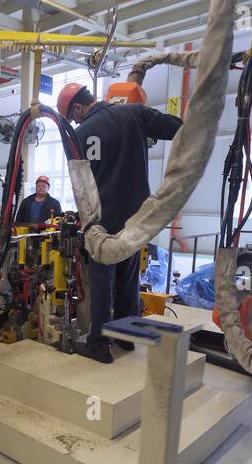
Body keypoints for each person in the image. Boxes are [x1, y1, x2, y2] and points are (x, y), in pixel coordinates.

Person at [57, 82, 182, 363]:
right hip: (138, 217)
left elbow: (81, 185)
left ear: (77, 107)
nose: (75, 121)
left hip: (103, 219)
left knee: (102, 279)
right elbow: (178, 127)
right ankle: (127, 337)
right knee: (128, 276)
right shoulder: (134, 113)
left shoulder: (78, 136)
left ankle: (99, 344)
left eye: (73, 116)